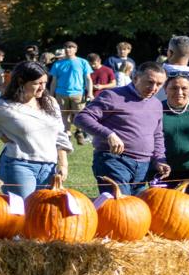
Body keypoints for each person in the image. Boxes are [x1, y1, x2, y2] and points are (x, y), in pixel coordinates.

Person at [0, 60, 72, 196]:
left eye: (44, 82)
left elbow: (60, 134)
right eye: (37, 83)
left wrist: (63, 164)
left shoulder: (51, 102)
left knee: (41, 214)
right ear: (21, 81)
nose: (42, 87)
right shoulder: (3, 106)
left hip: (49, 168)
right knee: (21, 213)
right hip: (19, 165)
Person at [72, 62, 169, 196]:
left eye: (159, 84)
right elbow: (82, 118)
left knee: (135, 210)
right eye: (149, 82)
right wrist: (109, 134)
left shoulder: (156, 104)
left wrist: (160, 159)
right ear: (135, 78)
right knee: (118, 208)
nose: (154, 88)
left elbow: (157, 135)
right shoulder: (112, 96)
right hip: (115, 160)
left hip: (143, 167)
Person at [48, 40, 93, 143]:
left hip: (78, 94)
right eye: (66, 47)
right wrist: (51, 94)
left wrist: (90, 93)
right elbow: (54, 81)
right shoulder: (58, 64)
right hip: (61, 93)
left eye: (70, 47)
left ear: (75, 49)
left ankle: (79, 132)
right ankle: (67, 134)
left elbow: (88, 79)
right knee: (64, 115)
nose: (68, 49)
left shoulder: (83, 62)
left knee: (79, 115)